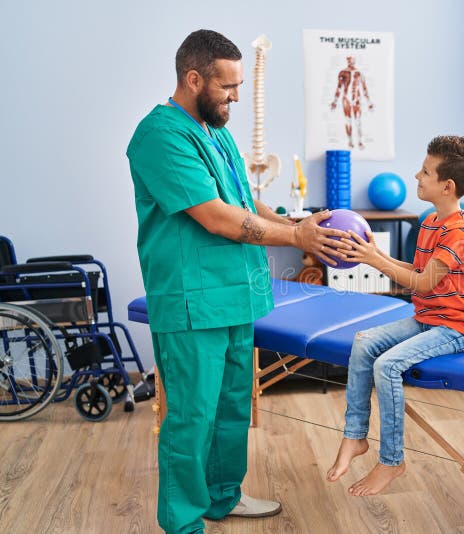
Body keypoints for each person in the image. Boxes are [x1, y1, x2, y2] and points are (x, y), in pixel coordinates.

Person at [126, 30, 348, 534]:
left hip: (235, 297)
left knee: (231, 409)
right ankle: (184, 522)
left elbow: (244, 201)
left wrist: (297, 222)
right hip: (192, 301)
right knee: (191, 417)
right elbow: (216, 217)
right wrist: (296, 237)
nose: (236, 98)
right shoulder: (160, 136)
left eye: (240, 86)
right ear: (193, 78)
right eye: (227, 87)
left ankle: (222, 497)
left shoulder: (216, 130)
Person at [325, 136, 464, 495]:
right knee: (364, 342)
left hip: (458, 328)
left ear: (447, 186)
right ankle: (355, 436)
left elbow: (423, 283)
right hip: (428, 319)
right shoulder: (431, 222)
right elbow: (416, 270)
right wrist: (373, 253)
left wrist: (373, 259)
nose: (417, 176)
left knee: (387, 365)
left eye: (425, 172)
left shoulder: (460, 232)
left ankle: (391, 461)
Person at [330, 55, 373, 149]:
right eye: (349, 60)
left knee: (358, 121)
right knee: (348, 121)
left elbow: (364, 88)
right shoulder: (343, 72)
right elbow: (339, 87)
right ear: (347, 61)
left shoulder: (359, 73)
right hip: (346, 99)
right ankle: (350, 141)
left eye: (352, 60)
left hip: (356, 99)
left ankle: (360, 141)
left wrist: (369, 102)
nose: (350, 62)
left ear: (354, 61)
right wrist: (335, 101)